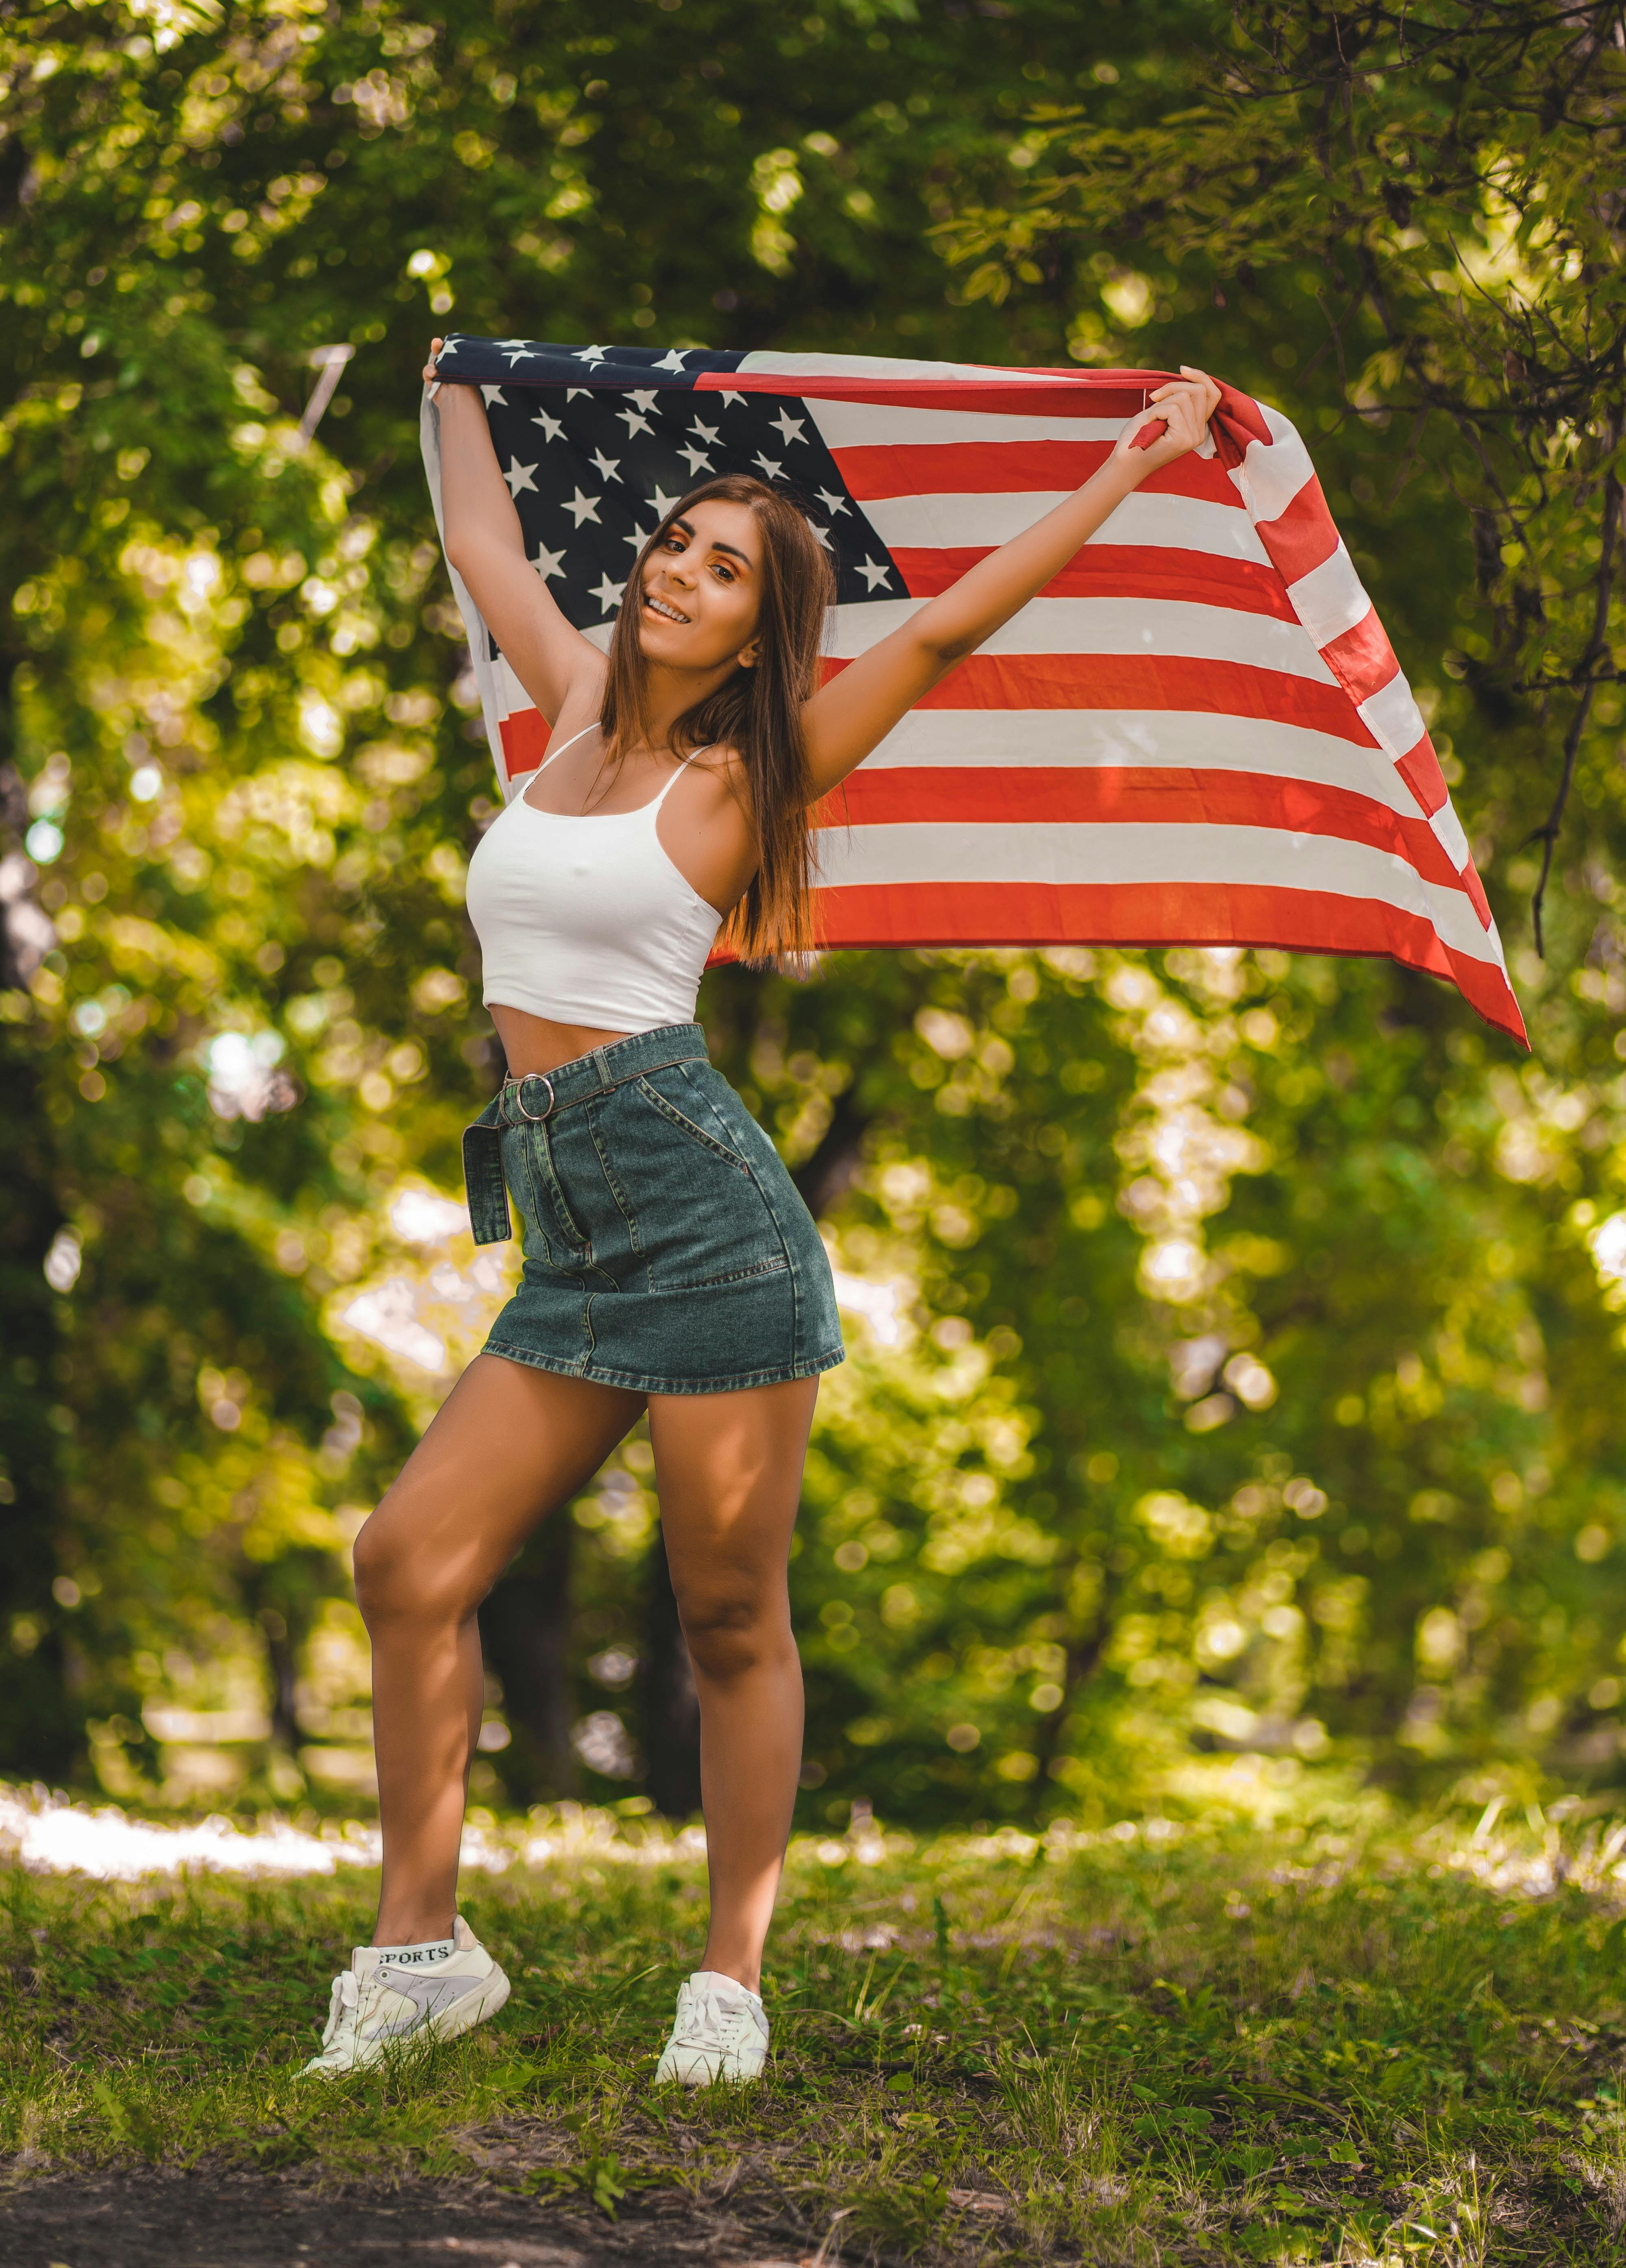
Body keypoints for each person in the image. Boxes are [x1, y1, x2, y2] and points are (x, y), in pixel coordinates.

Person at [301, 341, 1220, 2083]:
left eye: (725, 568)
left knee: (729, 1613)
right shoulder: (568, 702)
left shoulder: (754, 771)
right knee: (406, 1561)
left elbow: (948, 629)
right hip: (570, 1223)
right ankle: (419, 1955)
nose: (677, 573)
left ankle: (726, 1984)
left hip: (703, 1213)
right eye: (673, 544)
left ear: (756, 626)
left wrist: (1134, 463)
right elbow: (486, 548)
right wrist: (450, 388)